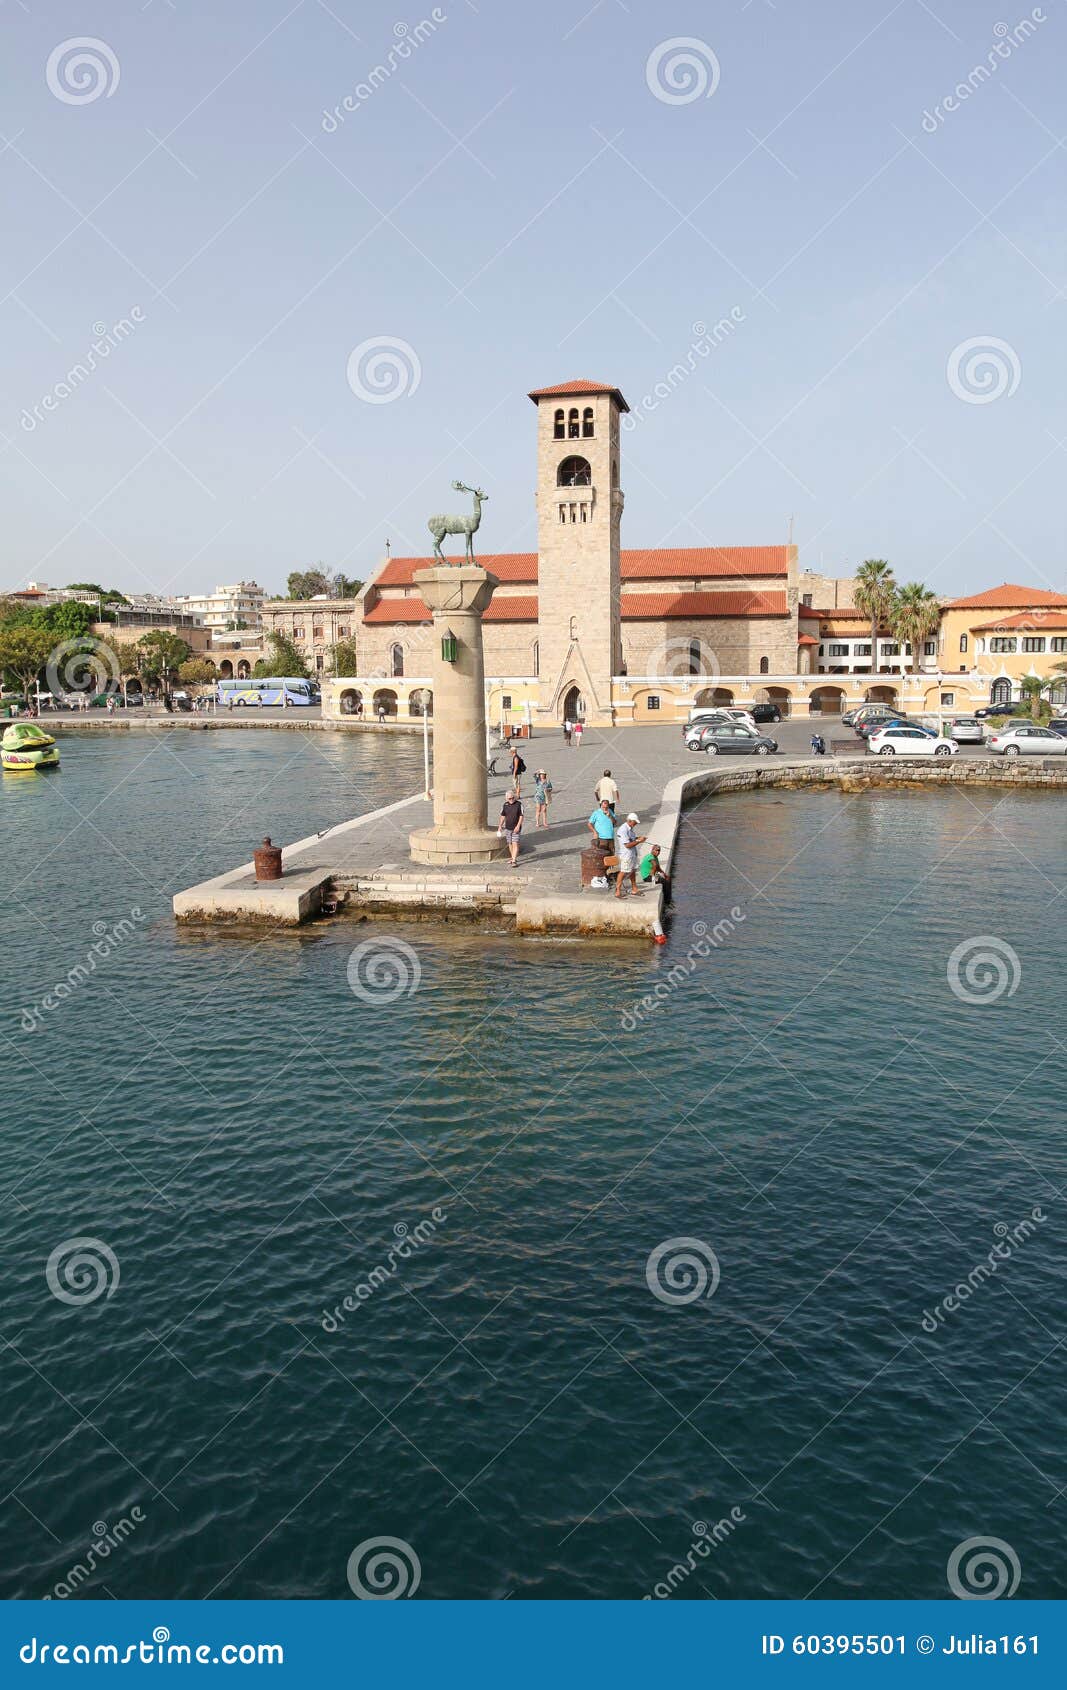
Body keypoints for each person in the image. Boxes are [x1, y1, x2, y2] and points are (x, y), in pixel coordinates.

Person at [615, 811, 647, 899]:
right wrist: (638, 841)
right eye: (635, 822)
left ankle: (634, 889)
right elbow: (627, 845)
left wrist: (638, 838)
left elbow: (631, 839)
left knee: (633, 870)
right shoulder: (623, 830)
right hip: (626, 855)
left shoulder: (630, 828)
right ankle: (617, 891)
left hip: (632, 854)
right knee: (623, 871)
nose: (636, 824)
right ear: (629, 821)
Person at [498, 788, 524, 866]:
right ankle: (512, 857)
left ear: (514, 797)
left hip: (516, 828)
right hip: (508, 827)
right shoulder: (505, 805)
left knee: (515, 842)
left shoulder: (519, 804)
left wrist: (518, 826)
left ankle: (514, 860)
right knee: (510, 843)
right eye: (509, 798)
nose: (511, 799)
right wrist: (500, 826)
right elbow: (503, 816)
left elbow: (521, 816)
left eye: (512, 798)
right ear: (507, 798)